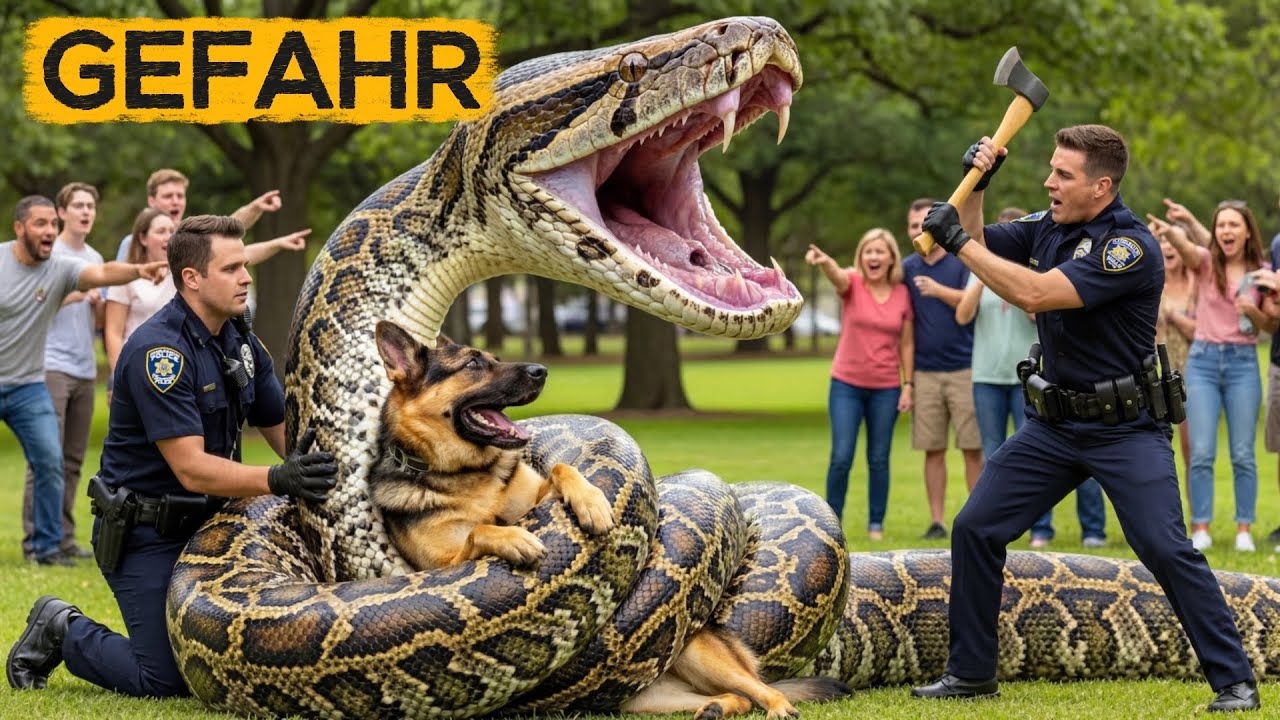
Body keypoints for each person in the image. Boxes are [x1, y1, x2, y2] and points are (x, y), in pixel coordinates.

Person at [910, 125, 1259, 712]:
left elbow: (1037, 295)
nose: (1048, 181)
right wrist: (977, 187)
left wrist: (960, 246)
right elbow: (978, 241)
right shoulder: (1049, 227)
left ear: (1101, 187)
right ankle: (970, 672)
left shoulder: (1127, 247)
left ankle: (1234, 681)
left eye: (1062, 175)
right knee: (976, 528)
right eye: (1049, 169)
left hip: (1126, 428)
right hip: (1054, 426)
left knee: (1165, 548)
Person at [6, 215, 338, 698]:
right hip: (146, 534)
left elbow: (285, 433)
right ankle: (62, 627)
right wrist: (278, 479)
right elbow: (191, 467)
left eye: (244, 265)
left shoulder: (241, 340)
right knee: (168, 676)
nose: (246, 276)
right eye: (231, 268)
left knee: (236, 654)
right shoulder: (160, 353)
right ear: (192, 278)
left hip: (216, 529)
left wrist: (321, 473)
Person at [1, 196, 167, 567]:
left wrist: (137, 272)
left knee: (49, 459)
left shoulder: (59, 268)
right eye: (40, 224)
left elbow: (102, 273)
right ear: (19, 228)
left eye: (51, 225)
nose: (49, 231)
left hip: (28, 386)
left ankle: (46, 548)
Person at [956, 206, 1107, 550]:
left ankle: (1053, 528)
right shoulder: (978, 269)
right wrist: (983, 274)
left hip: (1030, 376)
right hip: (988, 376)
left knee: (1046, 453)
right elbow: (963, 315)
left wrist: (1011, 277)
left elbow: (1035, 309)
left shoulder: (1038, 271)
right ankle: (1003, 525)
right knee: (995, 451)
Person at [1151, 201, 1268, 552]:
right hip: (1201, 363)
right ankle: (1201, 526)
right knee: (1200, 451)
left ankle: (1243, 529)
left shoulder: (1261, 272)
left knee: (1243, 453)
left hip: (1243, 363)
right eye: (1221, 226)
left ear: (1247, 231)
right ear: (1214, 232)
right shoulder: (1206, 263)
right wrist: (1171, 228)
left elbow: (1269, 323)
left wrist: (1253, 313)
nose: (1227, 231)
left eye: (1234, 225)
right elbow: (1187, 246)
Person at [104, 207, 309, 381]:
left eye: (171, 230)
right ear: (142, 237)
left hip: (189, 354)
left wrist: (278, 242)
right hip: (146, 362)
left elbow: (227, 250)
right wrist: (118, 376)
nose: (167, 235)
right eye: (160, 231)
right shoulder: (128, 277)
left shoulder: (182, 270)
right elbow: (113, 332)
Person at [806, 229, 913, 538]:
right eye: (868, 251)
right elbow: (837, 276)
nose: (874, 257)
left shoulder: (903, 294)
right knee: (841, 456)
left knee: (879, 458)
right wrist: (825, 261)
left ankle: (876, 523)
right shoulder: (852, 284)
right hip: (846, 386)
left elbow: (907, 344)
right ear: (861, 257)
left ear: (892, 257)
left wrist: (909, 385)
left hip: (886, 386)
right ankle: (831, 522)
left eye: (880, 251)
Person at [21, 183, 104, 563]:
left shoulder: (95, 258)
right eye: (79, 206)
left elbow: (99, 321)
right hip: (50, 364)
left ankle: (65, 537)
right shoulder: (49, 256)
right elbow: (35, 306)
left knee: (72, 460)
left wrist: (99, 304)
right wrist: (78, 294)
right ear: (62, 212)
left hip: (85, 366)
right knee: (45, 457)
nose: (86, 212)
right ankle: (36, 539)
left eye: (91, 206)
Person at [902, 198, 983, 540]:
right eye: (911, 225)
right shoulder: (906, 268)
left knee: (971, 448)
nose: (917, 231)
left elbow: (971, 303)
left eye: (923, 223)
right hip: (925, 372)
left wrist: (937, 291)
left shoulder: (960, 260)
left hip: (964, 368)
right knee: (932, 449)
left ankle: (977, 518)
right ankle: (937, 521)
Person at [114, 169, 284, 261]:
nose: (176, 201)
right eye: (168, 196)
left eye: (180, 196)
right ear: (151, 201)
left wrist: (255, 207)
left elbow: (226, 228)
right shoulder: (133, 243)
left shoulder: (192, 238)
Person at [1156, 230, 1198, 496]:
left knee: (1191, 452)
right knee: (1157, 454)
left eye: (1174, 243)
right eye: (1163, 243)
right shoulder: (1150, 283)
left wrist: (1172, 315)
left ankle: (1197, 523)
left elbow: (1199, 331)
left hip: (1191, 375)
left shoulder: (1197, 285)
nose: (1168, 248)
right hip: (1158, 373)